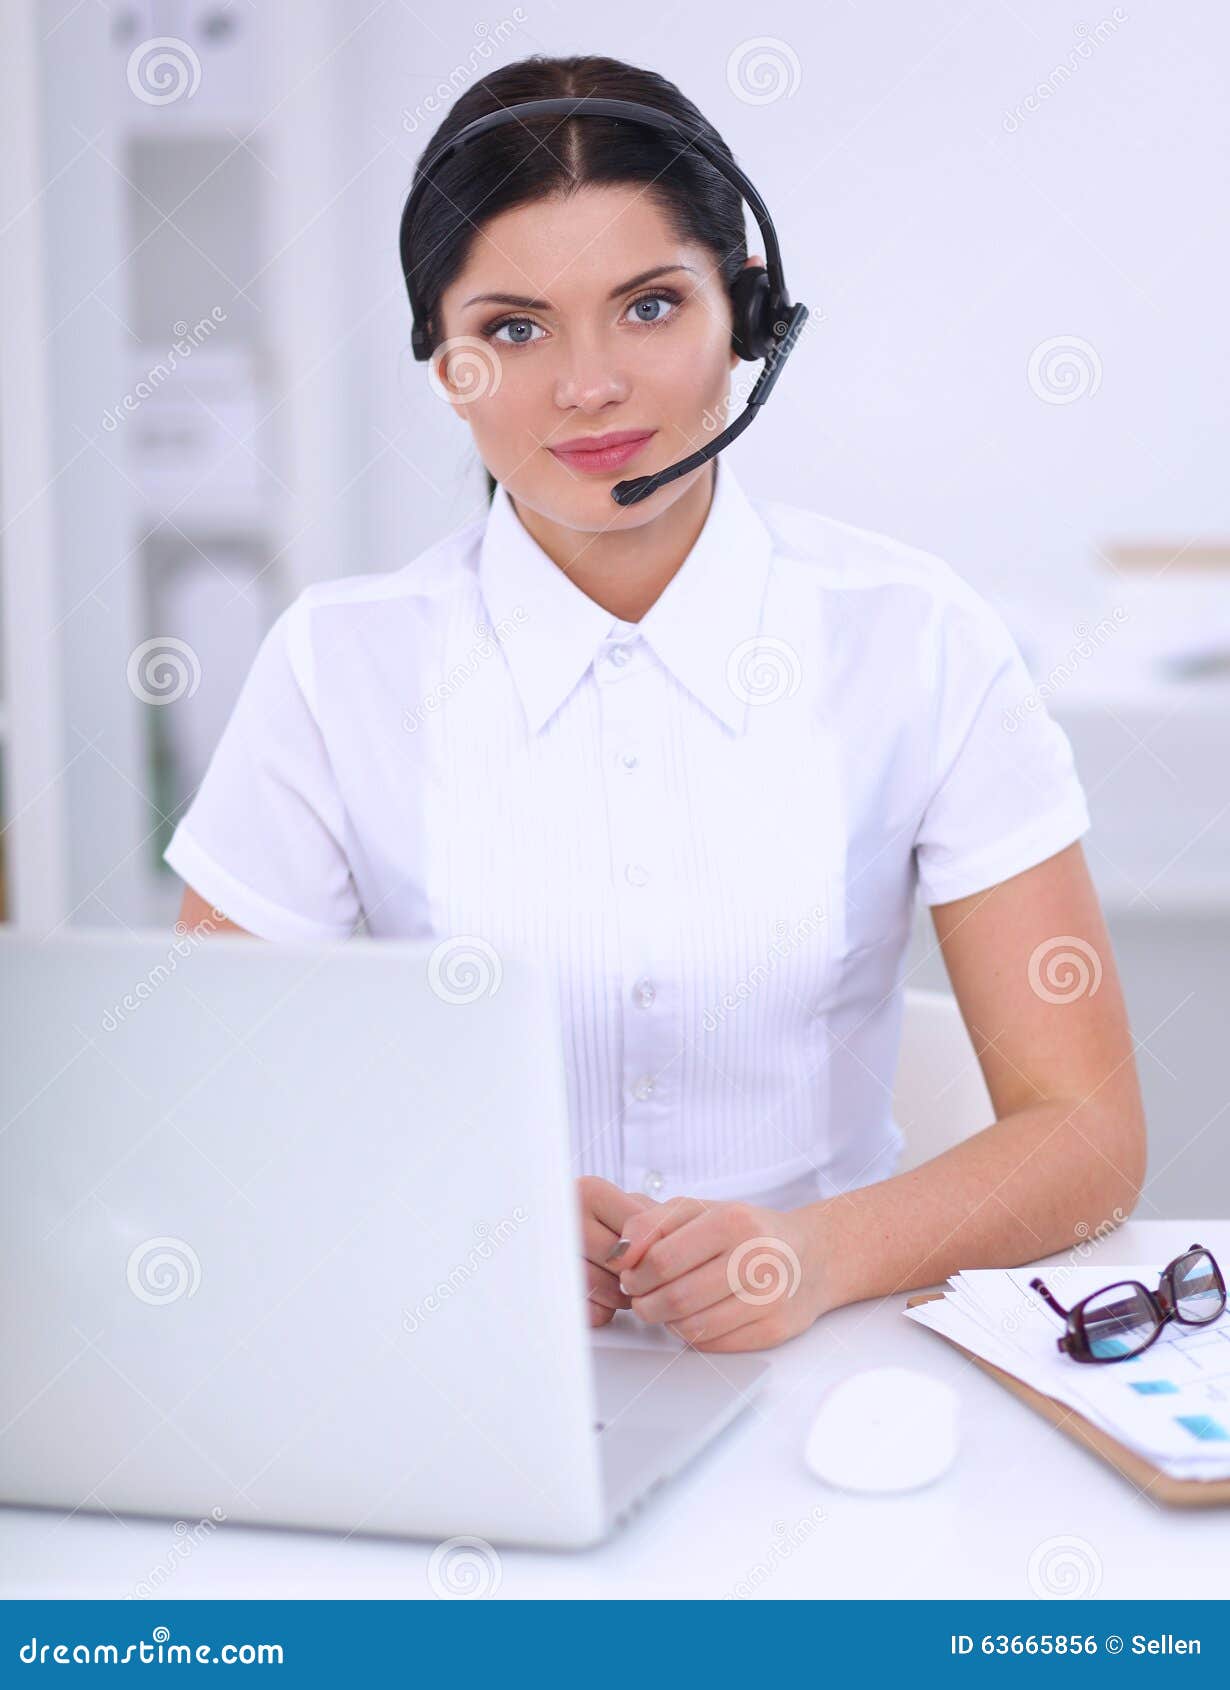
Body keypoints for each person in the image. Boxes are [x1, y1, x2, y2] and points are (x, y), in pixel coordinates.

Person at [166, 53, 1145, 1355]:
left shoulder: (918, 639)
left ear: (746, 320)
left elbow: (1086, 1132)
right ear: (441, 361)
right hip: (447, 1365)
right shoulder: (332, 667)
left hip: (837, 1366)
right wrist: (453, 1217)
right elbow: (201, 1116)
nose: (586, 385)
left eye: (646, 307)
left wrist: (809, 1252)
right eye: (512, 328)